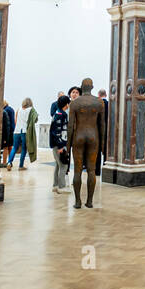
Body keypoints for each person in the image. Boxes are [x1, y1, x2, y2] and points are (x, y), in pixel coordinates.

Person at [68, 79, 105, 209]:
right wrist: (103, 144)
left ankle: (78, 201)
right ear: (92, 87)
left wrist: (68, 146)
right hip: (93, 137)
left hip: (78, 136)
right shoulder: (99, 102)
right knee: (91, 170)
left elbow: (70, 125)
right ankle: (89, 201)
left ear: (82, 87)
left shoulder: (75, 103)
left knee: (77, 171)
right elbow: (102, 125)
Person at [7, 98, 37, 171]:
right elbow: (35, 119)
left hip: (16, 131)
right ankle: (20, 166)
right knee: (24, 149)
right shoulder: (30, 109)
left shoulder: (19, 109)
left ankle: (9, 163)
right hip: (24, 131)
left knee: (14, 147)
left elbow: (15, 120)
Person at [50, 96, 70, 194]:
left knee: (58, 165)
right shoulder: (61, 115)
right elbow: (57, 132)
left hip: (57, 144)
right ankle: (61, 187)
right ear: (66, 104)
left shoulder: (57, 113)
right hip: (59, 145)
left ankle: (55, 185)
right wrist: (61, 146)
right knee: (63, 165)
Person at [0, 100, 16, 170]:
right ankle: (10, 162)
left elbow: (6, 122)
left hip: (8, 131)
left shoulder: (5, 110)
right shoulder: (11, 109)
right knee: (10, 147)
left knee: (5, 147)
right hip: (12, 130)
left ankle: (4, 163)